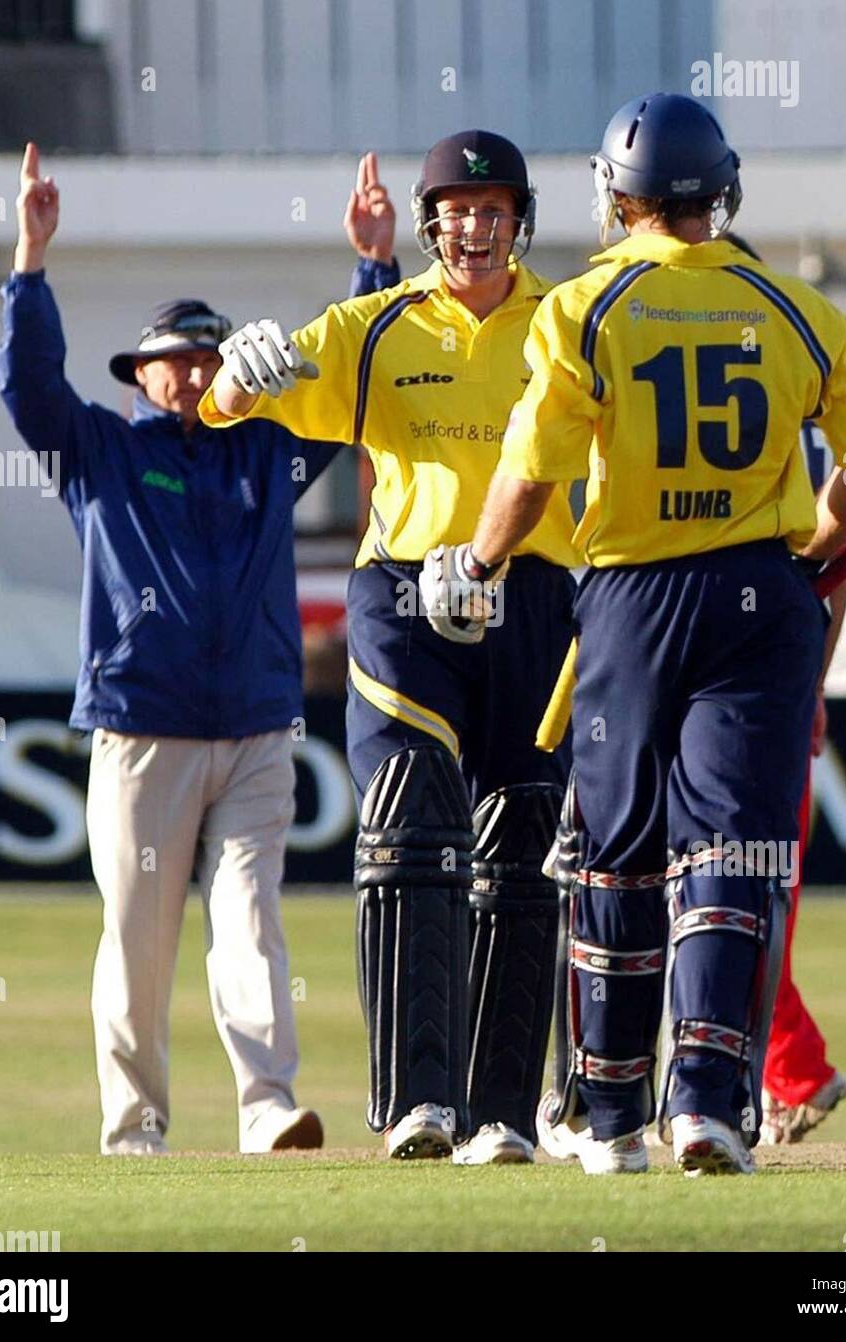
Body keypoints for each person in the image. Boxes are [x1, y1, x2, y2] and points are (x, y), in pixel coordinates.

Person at [419, 93, 846, 1175]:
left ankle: (611, 1115)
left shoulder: (586, 305)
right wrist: (805, 556)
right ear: (720, 190)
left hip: (632, 599)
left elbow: (534, 471)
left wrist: (477, 562)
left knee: (616, 861)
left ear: (616, 196)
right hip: (761, 599)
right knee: (734, 855)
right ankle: (709, 1108)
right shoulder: (800, 309)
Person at [199, 132, 579, 1165]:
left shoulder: (566, 322)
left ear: (520, 221)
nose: (475, 227)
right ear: (427, 224)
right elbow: (230, 404)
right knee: (412, 821)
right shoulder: (377, 327)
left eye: (493, 210)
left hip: (536, 594)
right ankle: (420, 1101)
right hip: (407, 593)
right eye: (456, 210)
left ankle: (503, 1111)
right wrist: (236, 373)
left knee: (526, 844)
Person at [0, 142, 338, 1155]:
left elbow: (350, 405)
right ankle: (137, 1123)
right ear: (141, 376)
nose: (191, 372)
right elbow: (25, 383)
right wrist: (30, 256)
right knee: (140, 945)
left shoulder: (267, 449)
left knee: (250, 921)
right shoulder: (103, 451)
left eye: (207, 355)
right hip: (143, 730)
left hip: (258, 727)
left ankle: (267, 1104)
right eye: (172, 359)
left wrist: (368, 270)